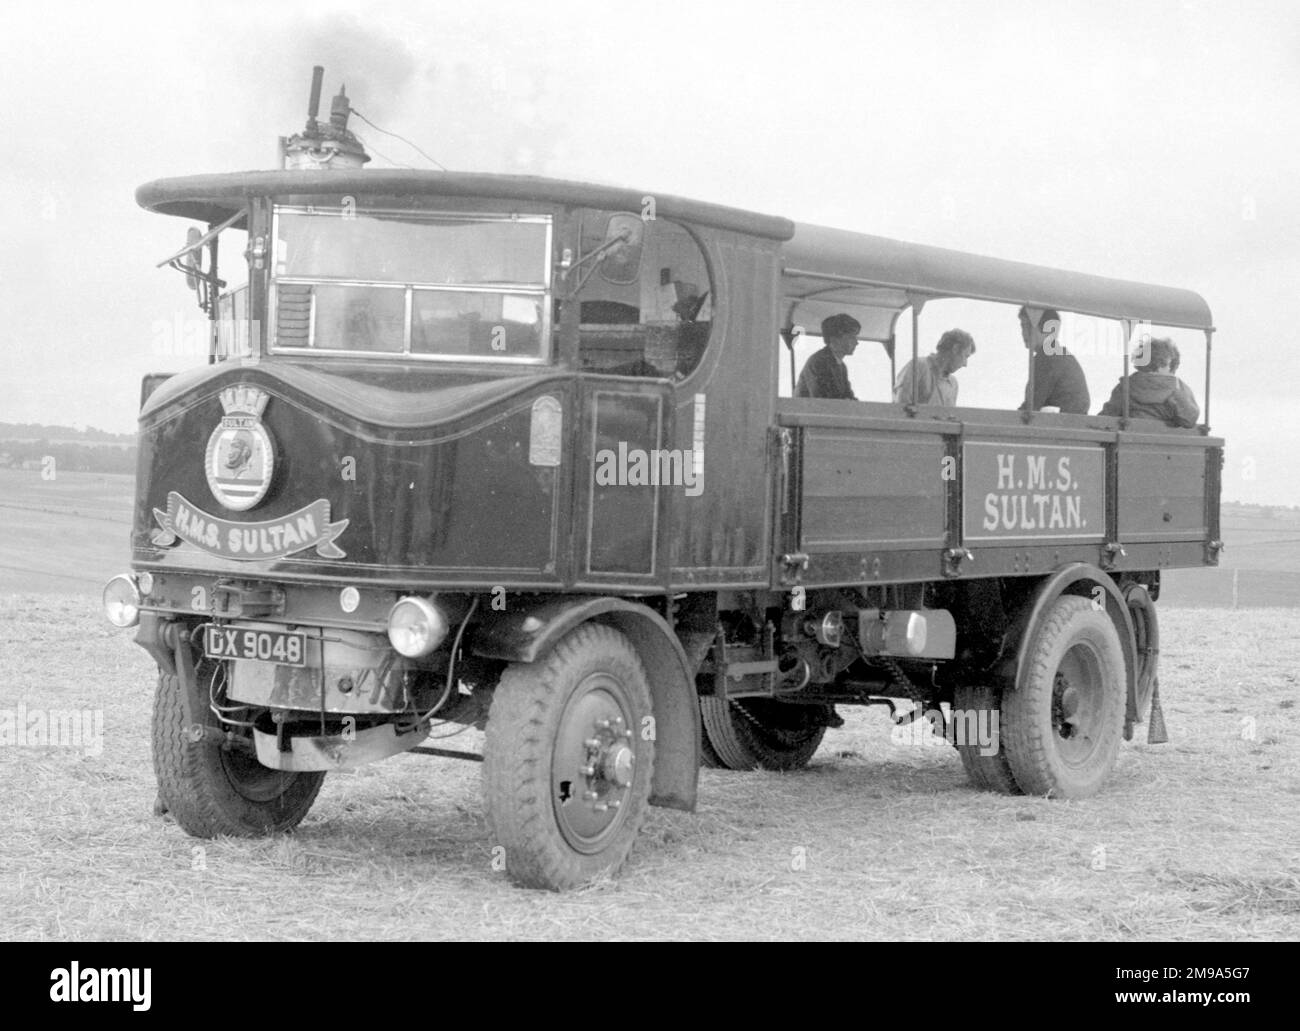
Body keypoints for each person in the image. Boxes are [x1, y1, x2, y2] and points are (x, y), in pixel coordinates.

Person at [1099, 336, 1200, 427]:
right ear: (1166, 365)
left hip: (1129, 443)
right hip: (1168, 444)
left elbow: (1106, 418)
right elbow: (1189, 420)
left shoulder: (1125, 386)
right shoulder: (1178, 387)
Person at [1018, 306, 1089, 414]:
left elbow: (1031, 406)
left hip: (1059, 426)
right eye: (1022, 327)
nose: (1023, 333)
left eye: (1027, 326)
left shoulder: (1048, 358)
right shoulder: (1060, 355)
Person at [893, 329, 975, 405]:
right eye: (965, 356)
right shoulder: (919, 367)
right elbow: (900, 406)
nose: (965, 364)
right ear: (955, 349)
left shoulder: (953, 384)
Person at [796, 313, 861, 399]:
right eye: (851, 337)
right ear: (834, 340)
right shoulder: (818, 362)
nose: (856, 343)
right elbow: (822, 400)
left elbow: (848, 396)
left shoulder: (841, 366)